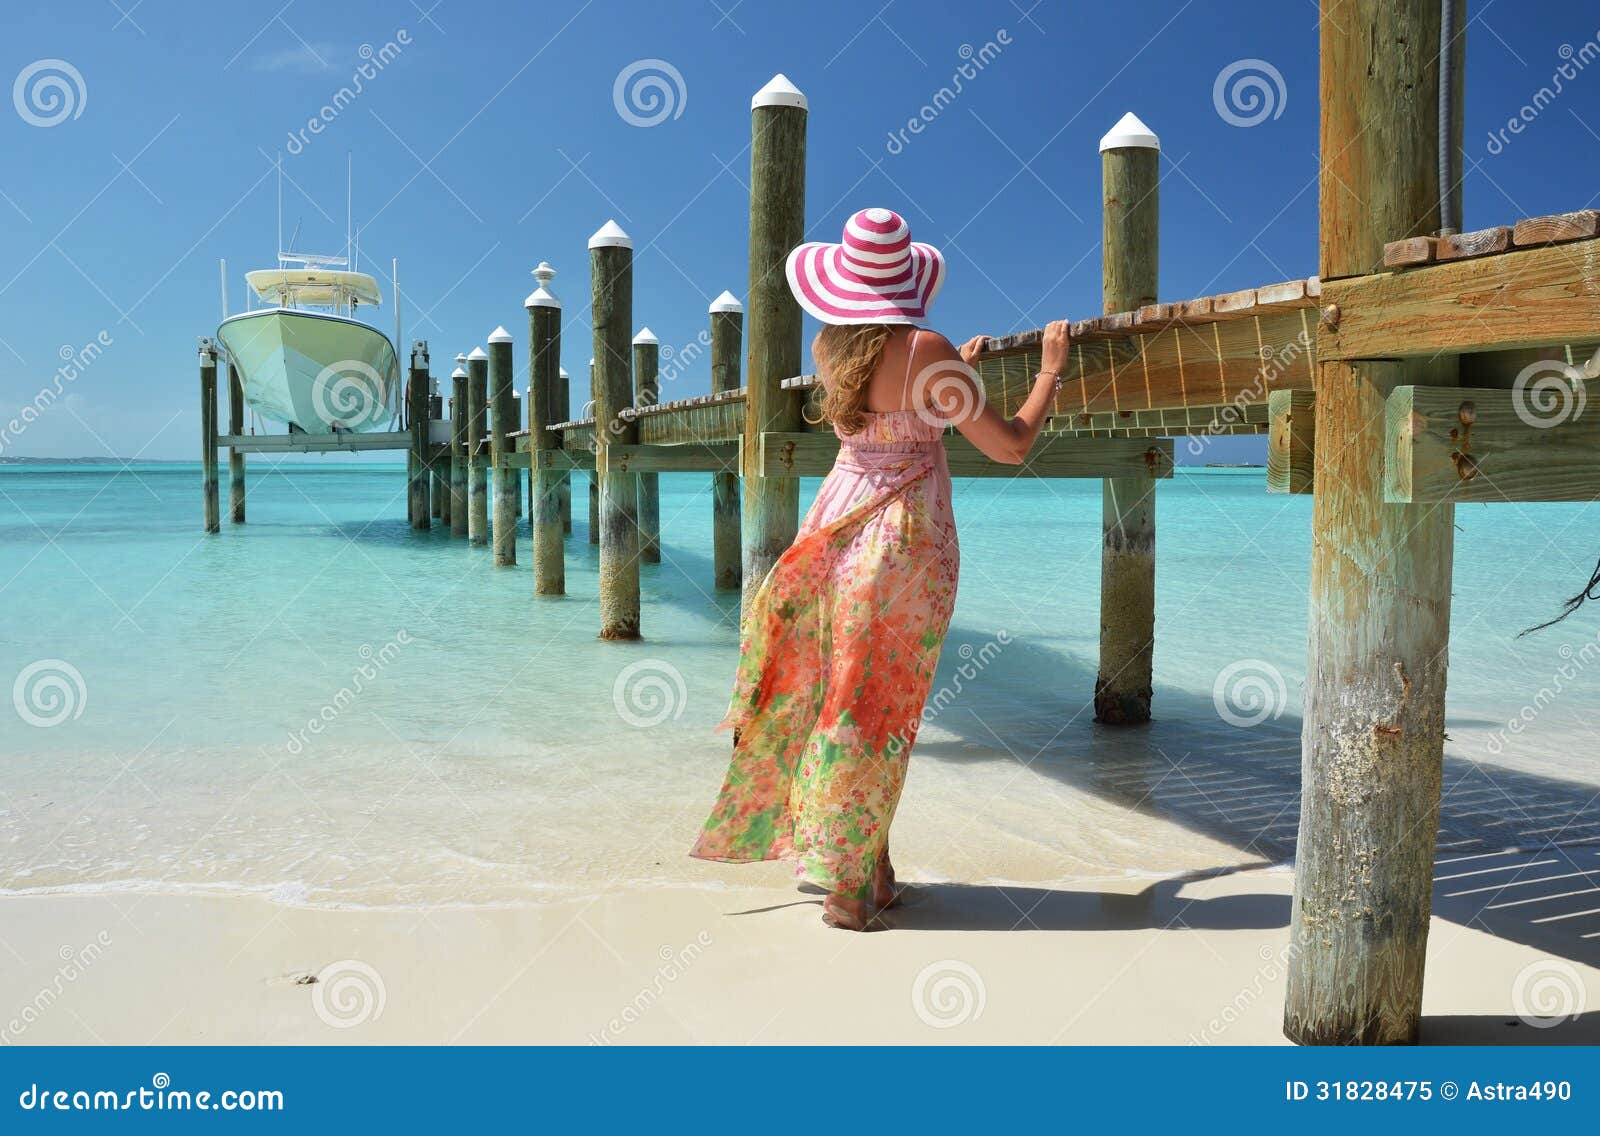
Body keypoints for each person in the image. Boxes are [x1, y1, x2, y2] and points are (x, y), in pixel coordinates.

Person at [690, 207, 1071, 930]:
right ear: (905, 281)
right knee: (880, 710)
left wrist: (961, 370)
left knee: (849, 700)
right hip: (900, 543)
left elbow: (903, 397)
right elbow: (1012, 445)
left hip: (834, 525)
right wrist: (1048, 371)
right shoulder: (927, 348)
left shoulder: (831, 345)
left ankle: (873, 870)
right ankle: (848, 891)